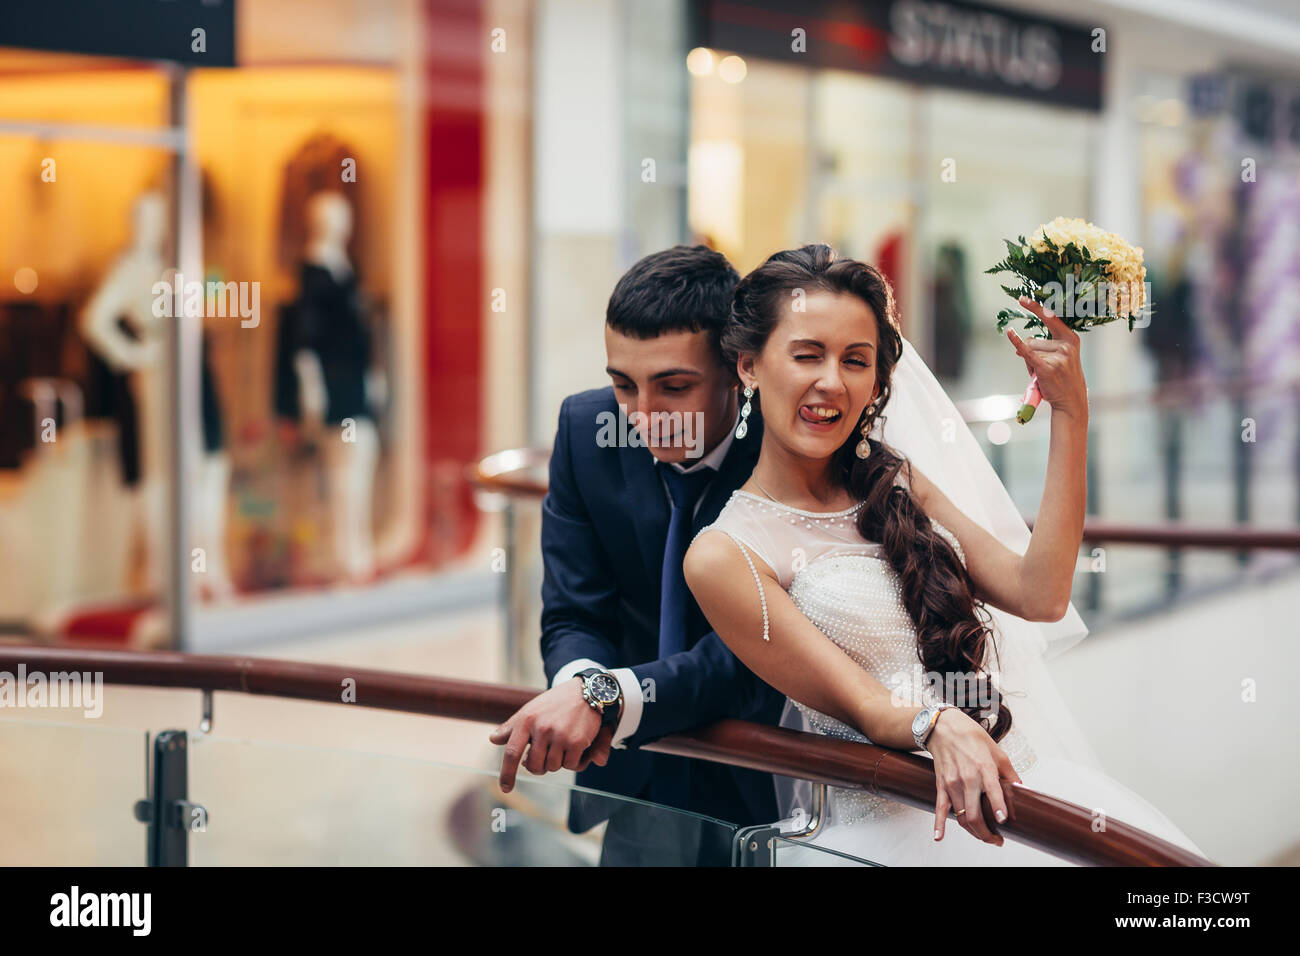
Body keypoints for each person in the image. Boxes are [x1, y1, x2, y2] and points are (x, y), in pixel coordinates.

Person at [488, 245, 1023, 866]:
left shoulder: (791, 454)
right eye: (622, 385)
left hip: (771, 785)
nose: (642, 414)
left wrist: (610, 697)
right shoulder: (586, 429)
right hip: (633, 771)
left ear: (738, 369)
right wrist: (581, 689)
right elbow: (573, 612)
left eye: (674, 385)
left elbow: (747, 653)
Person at [684, 244, 1208, 865]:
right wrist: (936, 724)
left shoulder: (898, 482)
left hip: (1020, 793)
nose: (831, 381)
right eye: (806, 355)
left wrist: (1070, 412)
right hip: (892, 832)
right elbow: (862, 702)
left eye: (857, 360)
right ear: (748, 366)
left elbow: (1039, 594)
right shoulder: (726, 554)